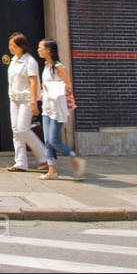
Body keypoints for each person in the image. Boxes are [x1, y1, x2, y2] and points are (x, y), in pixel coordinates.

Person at [36, 38, 85, 179]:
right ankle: (52, 170)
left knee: (53, 140)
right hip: (47, 106)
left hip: (58, 107)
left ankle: (74, 157)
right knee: (47, 140)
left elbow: (68, 85)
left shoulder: (58, 67)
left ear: (48, 50)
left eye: (41, 47)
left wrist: (49, 88)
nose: (38, 50)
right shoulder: (46, 65)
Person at [5, 32, 49, 173]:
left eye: (14, 45)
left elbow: (33, 81)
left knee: (22, 128)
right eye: (10, 45)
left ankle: (45, 157)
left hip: (26, 99)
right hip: (14, 98)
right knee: (16, 131)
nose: (11, 48)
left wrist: (33, 102)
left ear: (21, 46)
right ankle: (20, 163)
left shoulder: (30, 61)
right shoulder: (13, 61)